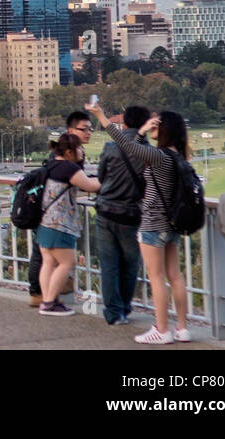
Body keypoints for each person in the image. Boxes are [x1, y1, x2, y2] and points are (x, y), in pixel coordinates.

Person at [91, 103, 193, 344]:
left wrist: (140, 130)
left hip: (152, 223)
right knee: (175, 277)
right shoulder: (180, 157)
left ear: (164, 129)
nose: (154, 127)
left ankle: (161, 329)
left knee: (156, 277)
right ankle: (182, 328)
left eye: (158, 124)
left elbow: (126, 146)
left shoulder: (158, 156)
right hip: (172, 224)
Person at [27, 111, 94, 306]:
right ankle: (41, 295)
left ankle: (44, 295)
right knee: (53, 259)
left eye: (90, 129)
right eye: (84, 129)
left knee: (47, 258)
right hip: (54, 219)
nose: (88, 133)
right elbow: (85, 183)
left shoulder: (67, 155)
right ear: (71, 130)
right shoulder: (63, 159)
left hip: (48, 215)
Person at [95, 104, 150, 325]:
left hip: (105, 211)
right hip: (131, 215)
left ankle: (113, 312)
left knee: (109, 265)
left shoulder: (110, 147)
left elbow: (100, 177)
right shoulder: (148, 153)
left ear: (124, 122)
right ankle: (124, 309)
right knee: (130, 265)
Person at [36, 132, 101, 316]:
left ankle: (47, 300)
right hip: (60, 224)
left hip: (45, 221)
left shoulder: (51, 164)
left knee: (48, 262)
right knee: (67, 262)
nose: (82, 150)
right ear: (70, 151)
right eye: (79, 147)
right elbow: (90, 185)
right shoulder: (69, 169)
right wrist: (109, 179)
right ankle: (49, 303)